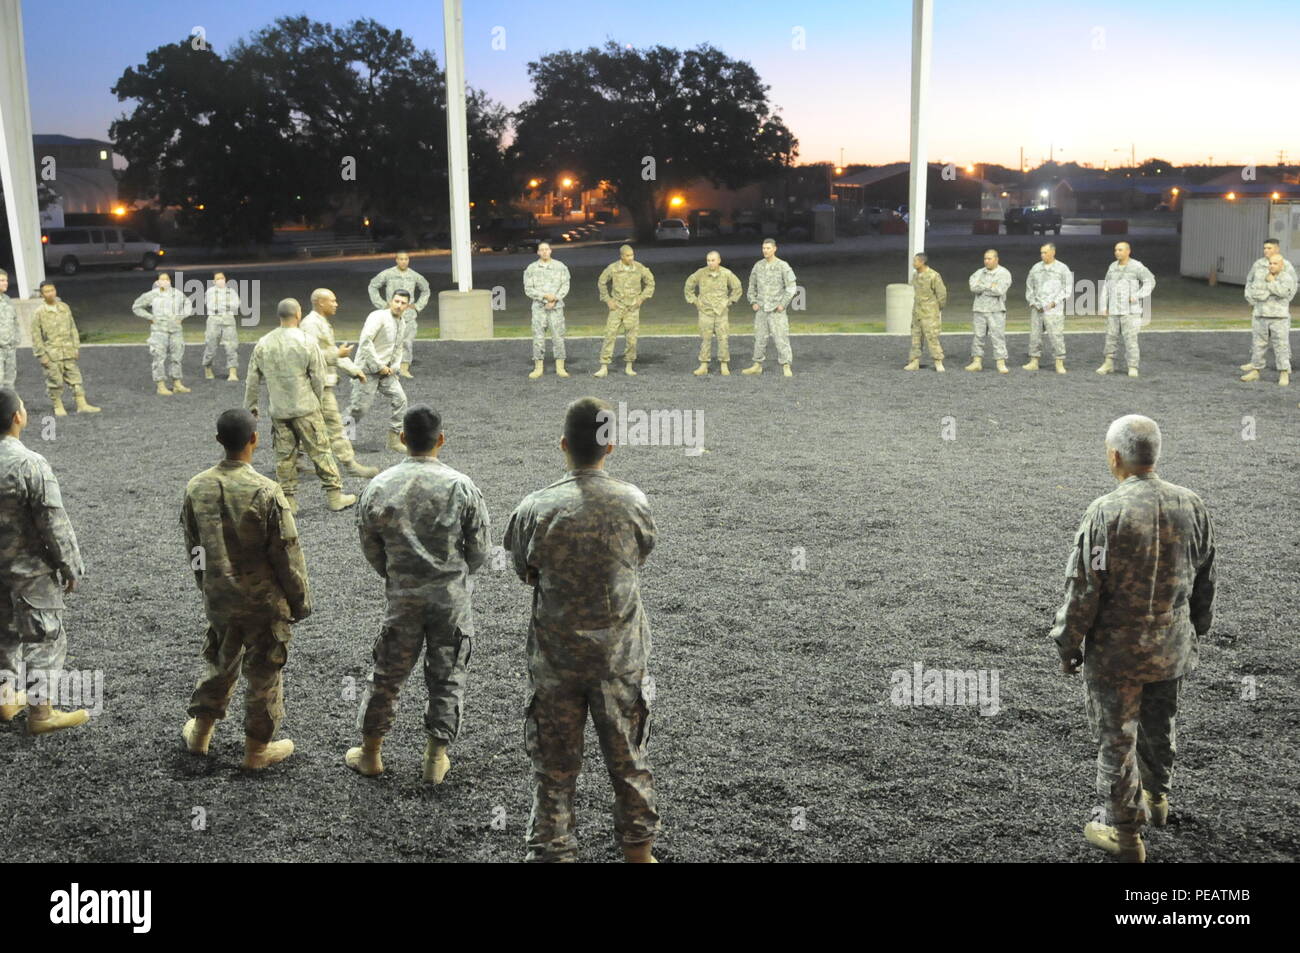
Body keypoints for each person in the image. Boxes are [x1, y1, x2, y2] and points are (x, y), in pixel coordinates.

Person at [1049, 415, 1215, 863]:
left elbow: (1085, 586)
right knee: (1160, 726)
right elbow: (1204, 575)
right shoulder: (1192, 504)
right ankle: (1157, 802)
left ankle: (1123, 832)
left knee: (1116, 739)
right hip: (1172, 645)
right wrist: (1198, 627)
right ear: (1155, 455)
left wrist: (1068, 643)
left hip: (1118, 653)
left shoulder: (1106, 511)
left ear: (1115, 457)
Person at [503, 397, 660, 863]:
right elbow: (639, 556)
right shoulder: (632, 502)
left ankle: (553, 851)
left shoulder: (536, 507)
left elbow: (523, 568)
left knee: (553, 765)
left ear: (564, 445)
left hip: (556, 657)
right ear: (609, 445)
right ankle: (639, 853)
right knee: (628, 756)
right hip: (618, 656)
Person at [346, 405, 490, 782]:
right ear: (440, 439)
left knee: (387, 675)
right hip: (449, 600)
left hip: (403, 597)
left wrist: (397, 574)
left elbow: (370, 546)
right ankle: (434, 759)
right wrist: (453, 574)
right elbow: (479, 550)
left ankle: (371, 753)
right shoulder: (461, 486)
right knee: (447, 677)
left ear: (403, 439)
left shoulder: (378, 486)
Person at [180, 409, 310, 770]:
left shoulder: (197, 487)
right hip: (263, 603)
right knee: (264, 674)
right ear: (254, 440)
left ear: (219, 440)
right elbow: (286, 553)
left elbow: (194, 548)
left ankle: (200, 735)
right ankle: (256, 752)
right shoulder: (267, 491)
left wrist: (206, 588)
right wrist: (300, 601)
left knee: (220, 662)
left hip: (221, 597)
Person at [0, 385, 90, 732]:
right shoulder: (29, 463)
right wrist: (70, 566)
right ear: (18, 417)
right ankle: (41, 714)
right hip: (30, 571)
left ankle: (5, 699)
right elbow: (53, 521)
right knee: (44, 637)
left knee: (3, 633)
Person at [244, 298, 357, 514]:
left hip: (279, 409)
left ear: (279, 315)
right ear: (298, 314)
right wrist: (316, 400)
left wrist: (251, 405)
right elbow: (318, 376)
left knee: (284, 456)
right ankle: (334, 496)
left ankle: (289, 502)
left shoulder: (264, 343)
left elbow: (252, 379)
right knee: (321, 451)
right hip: (306, 407)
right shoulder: (306, 341)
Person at [298, 288, 380, 478]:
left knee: (306, 424)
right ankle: (350, 464)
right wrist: (337, 354)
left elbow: (331, 352)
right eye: (332, 301)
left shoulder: (321, 323)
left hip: (319, 384)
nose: (336, 304)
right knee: (335, 425)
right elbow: (310, 356)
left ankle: (296, 460)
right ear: (320, 303)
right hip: (316, 385)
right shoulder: (310, 325)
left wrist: (354, 370)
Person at [348, 291, 411, 455]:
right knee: (358, 409)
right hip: (367, 371)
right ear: (391, 301)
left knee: (401, 399)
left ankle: (394, 439)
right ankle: (342, 440)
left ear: (407, 306)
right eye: (396, 301)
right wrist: (378, 365)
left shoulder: (402, 323)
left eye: (403, 303)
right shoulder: (377, 317)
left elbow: (398, 348)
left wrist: (394, 368)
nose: (399, 305)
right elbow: (365, 342)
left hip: (387, 373)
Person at [30, 282, 100, 415]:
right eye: (47, 291)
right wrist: (41, 355)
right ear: (42, 294)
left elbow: (72, 327)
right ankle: (58, 405)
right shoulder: (39, 313)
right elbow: (36, 336)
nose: (50, 293)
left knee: (76, 378)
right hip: (52, 353)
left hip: (68, 350)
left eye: (52, 290)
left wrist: (76, 347)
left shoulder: (64, 308)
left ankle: (82, 404)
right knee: (55, 380)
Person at [367, 252, 430, 379]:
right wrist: (382, 304)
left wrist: (417, 306)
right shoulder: (388, 274)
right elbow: (373, 286)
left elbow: (425, 289)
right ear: (396, 260)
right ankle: (386, 367)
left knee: (406, 341)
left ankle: (404, 367)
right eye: (401, 259)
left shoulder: (413, 275)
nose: (403, 262)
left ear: (409, 260)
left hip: (408, 316)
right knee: (388, 340)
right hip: (391, 314)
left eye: (406, 259)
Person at [1097, 242, 1155, 378]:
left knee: (1130, 339)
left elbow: (1150, 281)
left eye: (1120, 250)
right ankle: (1108, 363)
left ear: (1128, 251)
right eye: (1116, 250)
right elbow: (1106, 286)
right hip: (1113, 310)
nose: (1117, 252)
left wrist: (1138, 295)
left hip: (1130, 311)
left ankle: (1133, 366)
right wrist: (1103, 306)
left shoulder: (1136, 266)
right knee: (1110, 338)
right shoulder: (1112, 266)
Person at [595, 245, 654, 377]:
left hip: (632, 308)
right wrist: (608, 300)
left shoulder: (639, 268)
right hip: (617, 307)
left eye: (632, 255)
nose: (630, 258)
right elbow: (601, 282)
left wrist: (641, 298)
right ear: (621, 256)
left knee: (631, 338)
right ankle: (604, 366)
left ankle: (629, 364)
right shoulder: (613, 268)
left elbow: (650, 282)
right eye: (627, 256)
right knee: (610, 335)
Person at [742, 238, 797, 377]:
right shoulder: (758, 266)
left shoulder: (783, 266)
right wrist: (753, 301)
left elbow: (791, 288)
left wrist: (782, 304)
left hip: (776, 310)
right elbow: (751, 286)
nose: (765, 251)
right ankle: (757, 365)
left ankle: (786, 365)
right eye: (763, 248)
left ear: (774, 249)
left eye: (768, 248)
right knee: (759, 338)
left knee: (781, 338)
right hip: (761, 309)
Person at [133, 272, 193, 396]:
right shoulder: (152, 295)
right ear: (158, 282)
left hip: (175, 330)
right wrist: (150, 317)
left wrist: (181, 316)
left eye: (166, 279)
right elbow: (137, 307)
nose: (164, 282)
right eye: (161, 280)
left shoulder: (176, 294)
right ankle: (160, 386)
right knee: (158, 358)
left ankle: (177, 383)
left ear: (170, 281)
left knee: (177, 357)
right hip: (159, 331)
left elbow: (188, 304)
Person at [684, 250, 742, 376]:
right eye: (708, 260)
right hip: (705, 312)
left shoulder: (726, 273)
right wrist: (695, 301)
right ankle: (704, 364)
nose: (710, 263)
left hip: (721, 312)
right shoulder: (701, 273)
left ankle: (724, 364)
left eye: (713, 260)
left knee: (723, 338)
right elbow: (689, 286)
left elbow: (737, 288)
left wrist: (730, 302)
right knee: (705, 339)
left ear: (719, 261)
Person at [1240, 254, 1294, 386]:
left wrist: (1271, 284)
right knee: (1258, 345)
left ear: (1281, 265)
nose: (1272, 266)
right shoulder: (1260, 275)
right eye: (1270, 263)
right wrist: (1272, 291)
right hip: (1261, 315)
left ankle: (1283, 373)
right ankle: (1255, 371)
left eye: (1275, 263)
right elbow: (1255, 293)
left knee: (1281, 346)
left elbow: (1284, 293)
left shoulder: (1287, 277)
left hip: (1279, 318)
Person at [523, 242, 571, 379]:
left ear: (551, 251)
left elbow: (565, 285)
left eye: (546, 249)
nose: (544, 252)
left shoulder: (560, 267)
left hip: (556, 308)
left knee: (558, 336)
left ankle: (560, 367)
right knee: (538, 337)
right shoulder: (531, 268)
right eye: (541, 250)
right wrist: (545, 298)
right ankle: (538, 367)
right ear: (538, 252)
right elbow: (528, 289)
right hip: (539, 309)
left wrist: (554, 299)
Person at [1023, 243, 1071, 373]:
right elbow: (1029, 286)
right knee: (1035, 335)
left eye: (1045, 252)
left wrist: (1054, 303)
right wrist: (1032, 302)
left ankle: (1059, 362)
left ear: (1053, 253)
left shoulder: (1062, 269)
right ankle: (1034, 360)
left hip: (1053, 310)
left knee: (1056, 336)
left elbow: (1067, 289)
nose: (1042, 255)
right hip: (1037, 308)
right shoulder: (1036, 268)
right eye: (1041, 253)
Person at [965, 249, 1013, 374]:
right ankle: (976, 361)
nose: (986, 261)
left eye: (989, 259)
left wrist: (983, 287)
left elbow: (999, 290)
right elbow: (973, 287)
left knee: (998, 336)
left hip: (996, 310)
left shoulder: (1004, 273)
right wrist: (990, 286)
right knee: (978, 336)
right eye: (985, 258)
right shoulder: (979, 272)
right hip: (979, 309)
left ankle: (1000, 362)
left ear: (996, 259)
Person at [903, 253, 947, 372]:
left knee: (932, 336)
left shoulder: (933, 275)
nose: (913, 263)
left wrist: (937, 308)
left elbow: (942, 294)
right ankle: (914, 361)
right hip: (917, 311)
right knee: (916, 336)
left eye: (915, 261)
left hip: (930, 313)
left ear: (922, 262)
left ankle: (938, 361)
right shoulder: (915, 276)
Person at [202, 271, 242, 381]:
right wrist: (226, 305)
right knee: (211, 345)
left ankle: (232, 372)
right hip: (214, 320)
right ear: (214, 281)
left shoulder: (231, 292)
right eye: (218, 279)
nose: (220, 280)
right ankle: (208, 366)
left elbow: (237, 304)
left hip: (228, 320)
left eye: (222, 278)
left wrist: (223, 305)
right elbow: (211, 305)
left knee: (231, 346)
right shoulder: (210, 292)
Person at [0, 269, 17, 388]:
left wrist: (15, 339)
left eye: (6, 280)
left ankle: (9, 406)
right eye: (1, 280)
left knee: (9, 382)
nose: (6, 283)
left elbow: (14, 321)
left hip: (9, 349)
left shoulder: (7, 300)